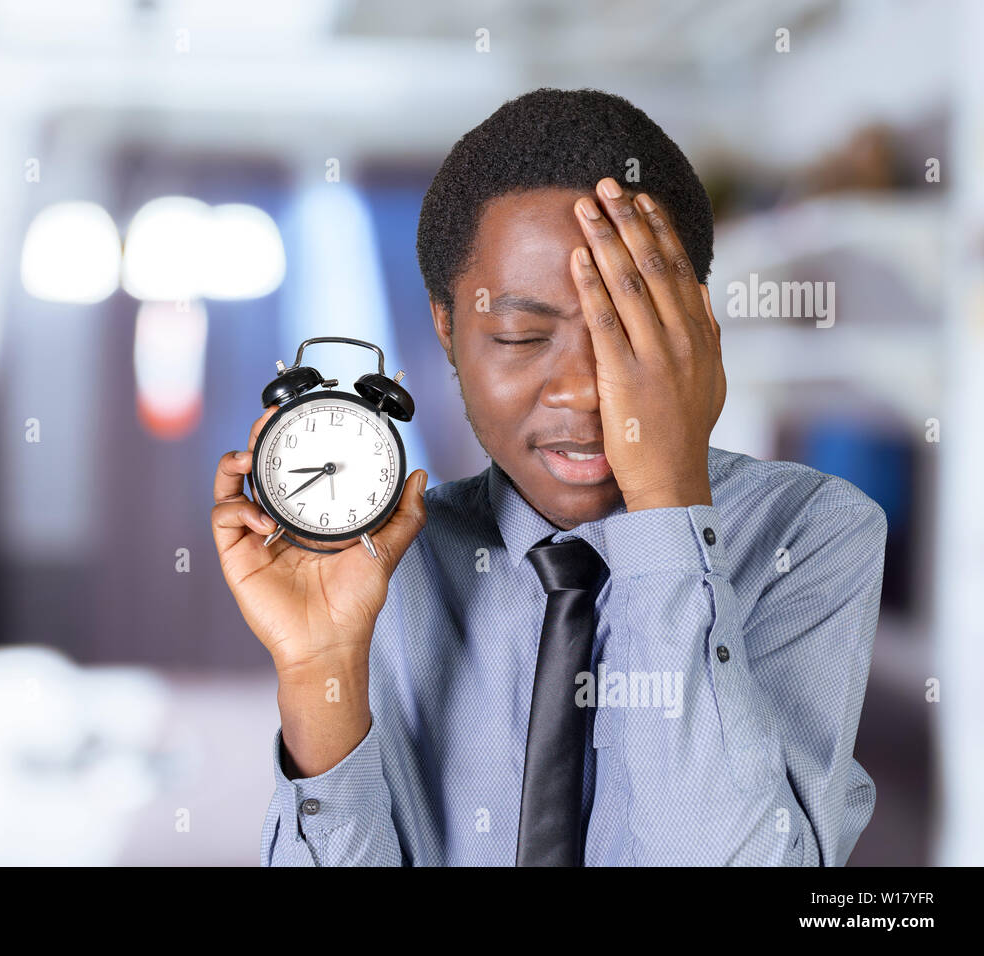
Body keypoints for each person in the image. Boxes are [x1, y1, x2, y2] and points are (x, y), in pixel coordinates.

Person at [210, 88, 886, 866]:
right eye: (522, 337)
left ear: (697, 330)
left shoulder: (810, 534)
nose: (580, 393)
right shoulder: (382, 566)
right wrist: (319, 671)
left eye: (626, 334)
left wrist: (665, 505)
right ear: (449, 331)